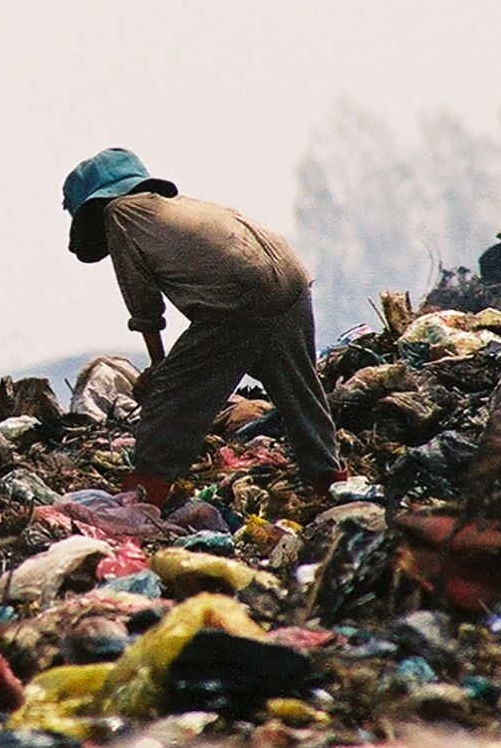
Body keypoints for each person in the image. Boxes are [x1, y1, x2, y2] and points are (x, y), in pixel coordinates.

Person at [60, 148, 344, 504]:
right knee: (301, 394)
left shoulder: (120, 213)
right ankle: (329, 482)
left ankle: (143, 495)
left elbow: (143, 302)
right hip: (291, 279)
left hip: (241, 296)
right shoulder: (184, 207)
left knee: (172, 398)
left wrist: (160, 368)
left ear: (93, 208)